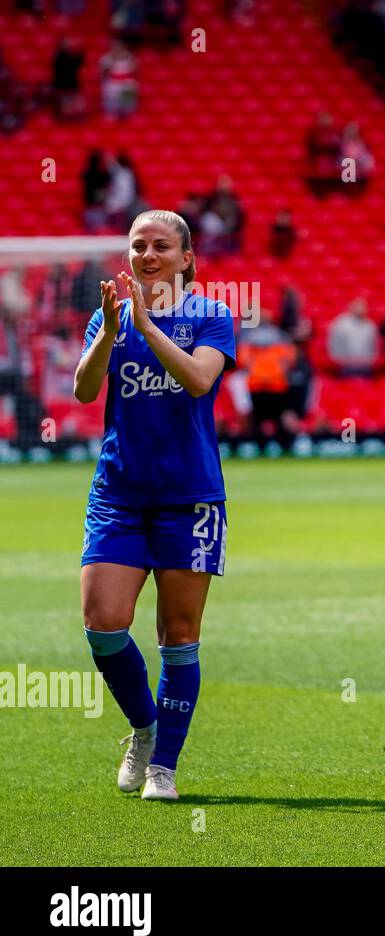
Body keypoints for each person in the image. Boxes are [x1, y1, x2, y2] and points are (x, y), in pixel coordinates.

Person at [73, 210, 237, 802]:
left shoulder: (212, 315)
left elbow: (198, 380)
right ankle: (144, 728)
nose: (148, 255)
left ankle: (163, 766)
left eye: (161, 246)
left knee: (179, 632)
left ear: (186, 258)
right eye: (138, 245)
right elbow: (85, 390)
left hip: (189, 496)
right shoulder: (108, 317)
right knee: (103, 626)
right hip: (119, 493)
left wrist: (148, 323)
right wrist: (114, 332)